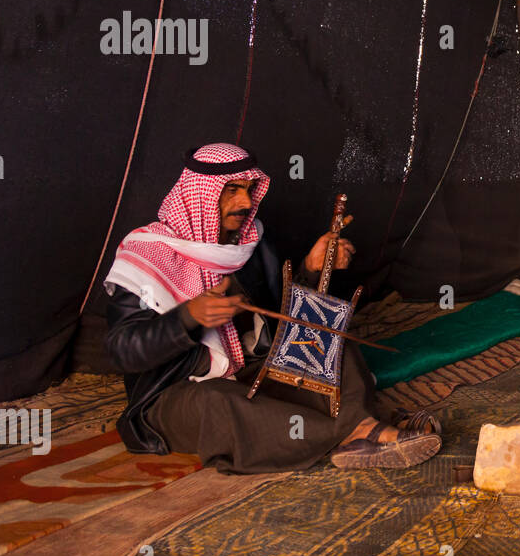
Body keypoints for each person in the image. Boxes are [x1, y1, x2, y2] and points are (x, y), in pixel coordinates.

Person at [102, 142, 439, 474]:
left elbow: (285, 319)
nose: (245, 202)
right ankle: (357, 431)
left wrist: (309, 269)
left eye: (249, 190)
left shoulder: (250, 244)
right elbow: (123, 352)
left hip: (250, 370)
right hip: (174, 393)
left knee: (326, 338)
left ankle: (360, 426)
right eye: (232, 191)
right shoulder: (147, 254)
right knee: (218, 403)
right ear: (199, 193)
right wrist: (187, 317)